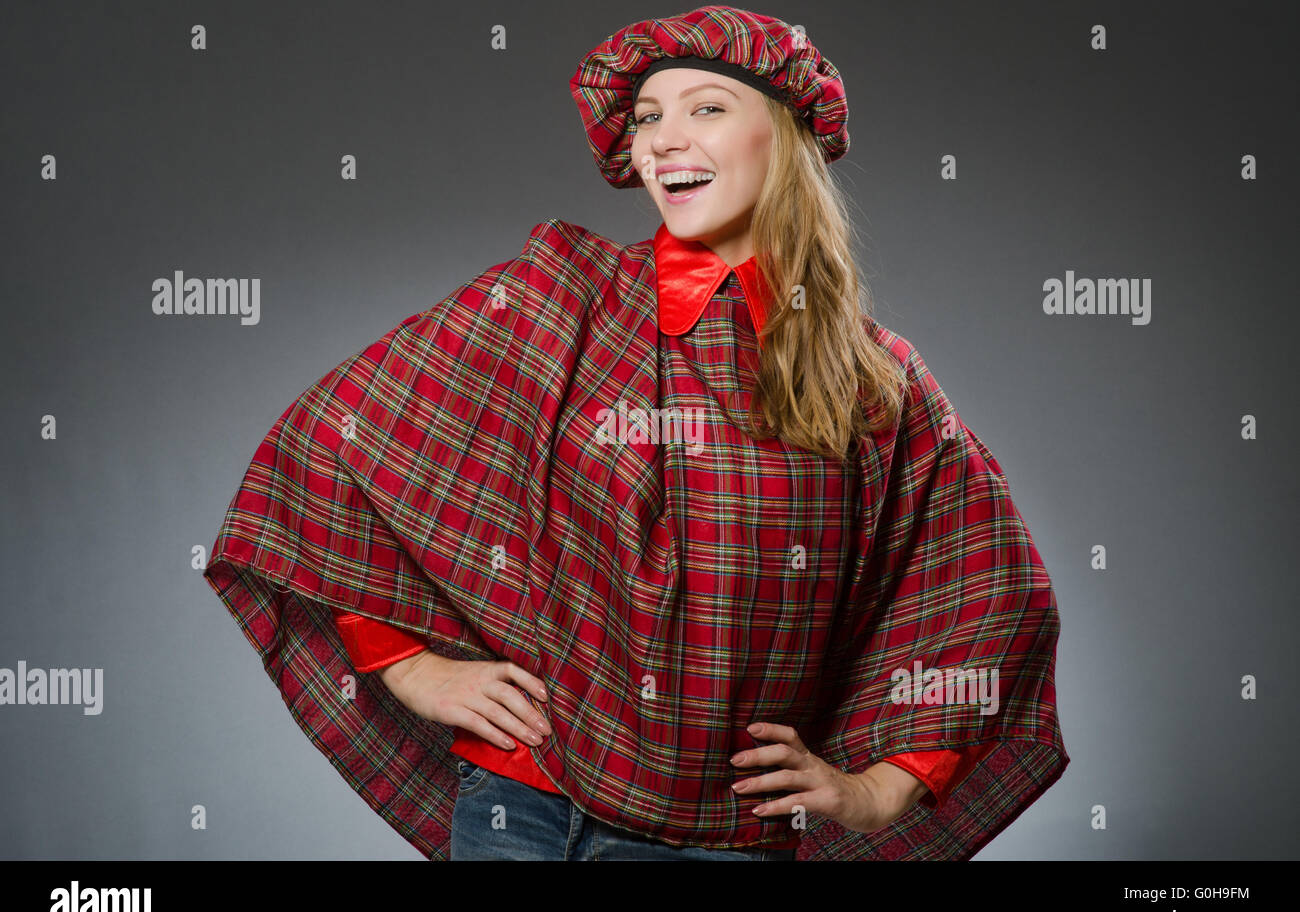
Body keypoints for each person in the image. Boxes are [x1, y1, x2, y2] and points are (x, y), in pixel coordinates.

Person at [203, 5, 1068, 862]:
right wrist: (408, 665)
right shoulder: (560, 298)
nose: (660, 139)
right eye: (649, 116)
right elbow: (328, 451)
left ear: (788, 137)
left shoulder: (874, 380)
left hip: (723, 841)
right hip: (522, 809)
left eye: (706, 108)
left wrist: (880, 785)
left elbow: (991, 591)